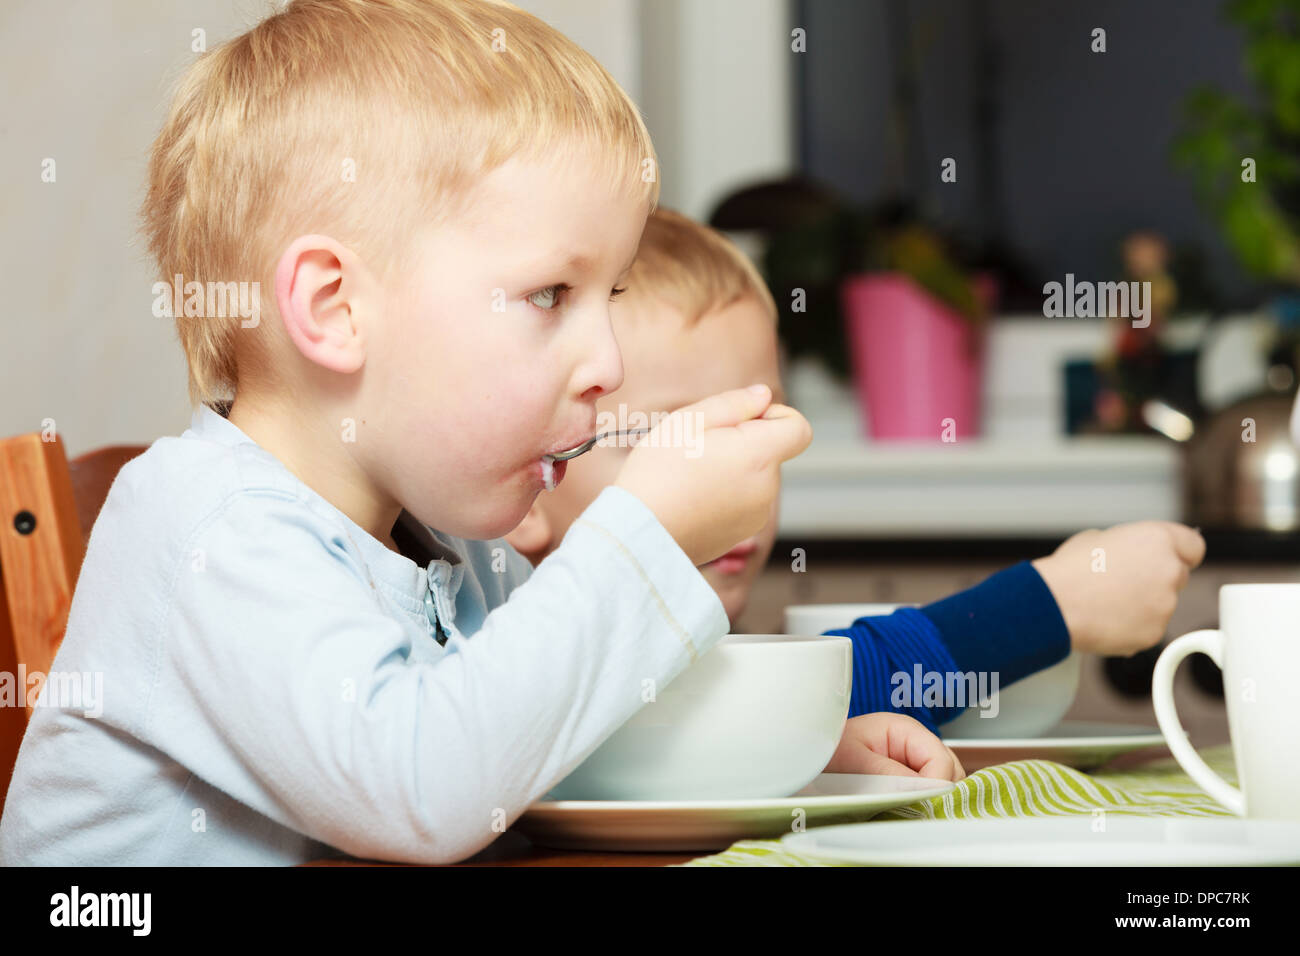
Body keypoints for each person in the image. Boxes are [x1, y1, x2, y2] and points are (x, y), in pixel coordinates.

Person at [0, 0, 961, 867]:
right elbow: (425, 789)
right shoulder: (207, 531)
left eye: (611, 295)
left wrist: (776, 740)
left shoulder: (447, 543)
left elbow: (530, 729)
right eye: (551, 294)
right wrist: (646, 535)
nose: (609, 364)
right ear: (335, 308)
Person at [507, 207, 1207, 736]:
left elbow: (763, 716)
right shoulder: (510, 663)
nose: (732, 473)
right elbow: (810, 692)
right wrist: (1054, 603)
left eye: (756, 428)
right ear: (523, 494)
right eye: (664, 437)